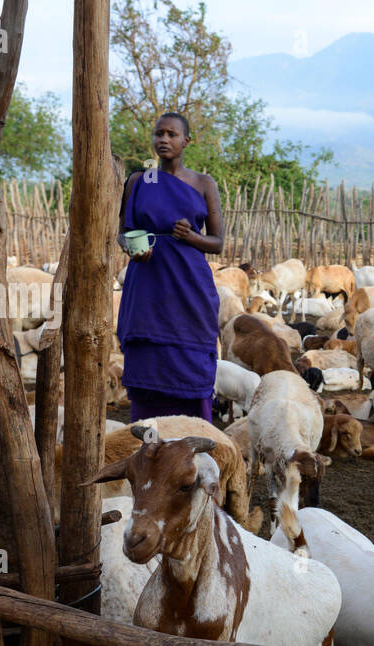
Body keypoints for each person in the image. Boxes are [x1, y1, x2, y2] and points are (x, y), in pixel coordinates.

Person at [116, 112, 224, 422]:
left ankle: (196, 440)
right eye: (158, 133)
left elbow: (217, 242)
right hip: (147, 283)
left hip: (189, 285)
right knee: (149, 360)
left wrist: (191, 236)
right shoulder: (140, 180)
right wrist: (131, 248)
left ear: (186, 141)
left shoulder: (203, 183)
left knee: (191, 362)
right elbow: (123, 230)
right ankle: (148, 442)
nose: (163, 139)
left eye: (171, 134)